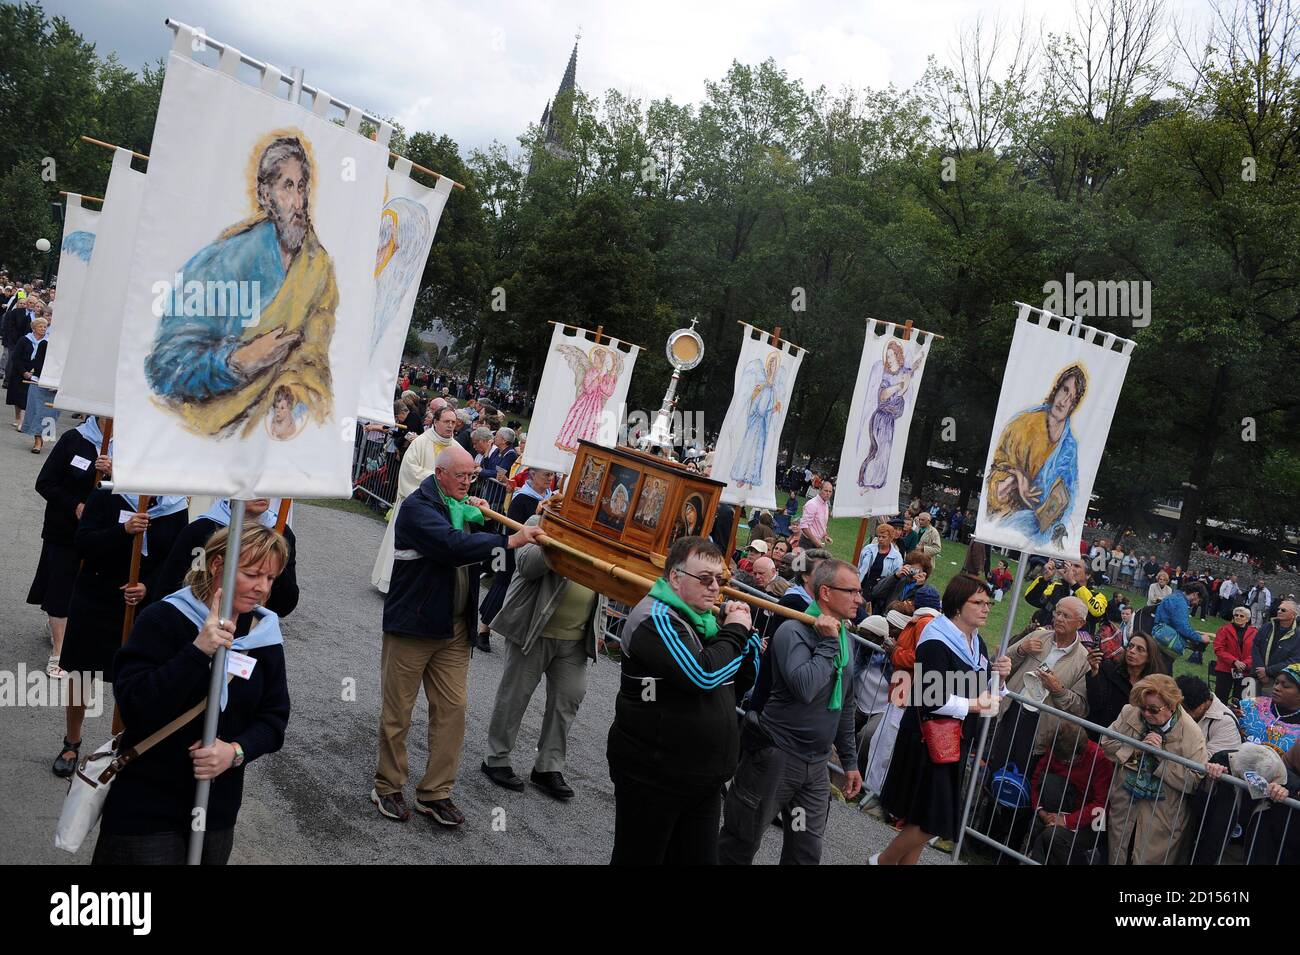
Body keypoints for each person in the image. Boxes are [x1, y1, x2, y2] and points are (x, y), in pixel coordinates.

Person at [92, 524, 291, 865]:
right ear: (217, 566)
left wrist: (235, 751)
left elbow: (274, 719)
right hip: (147, 805)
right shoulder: (164, 619)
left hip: (216, 810)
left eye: (270, 578)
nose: (262, 588)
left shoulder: (264, 635)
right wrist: (199, 651)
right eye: (252, 574)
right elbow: (136, 705)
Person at [371, 445, 544, 826]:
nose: (468, 482)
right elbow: (450, 547)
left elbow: (483, 560)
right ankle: (388, 786)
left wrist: (481, 521)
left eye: (473, 476)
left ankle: (435, 793)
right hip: (413, 626)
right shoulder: (419, 508)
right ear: (441, 473)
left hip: (453, 630)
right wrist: (508, 540)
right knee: (398, 712)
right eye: (462, 476)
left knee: (452, 712)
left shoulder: (459, 506)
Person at [607, 537, 760, 864]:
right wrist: (734, 633)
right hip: (654, 775)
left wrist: (746, 639)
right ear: (676, 578)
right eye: (705, 579)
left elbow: (740, 682)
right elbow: (700, 675)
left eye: (720, 580)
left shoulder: (703, 621)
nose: (715, 588)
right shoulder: (656, 617)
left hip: (702, 779)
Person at [718, 559, 863, 864]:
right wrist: (827, 644)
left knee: (804, 852)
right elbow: (804, 687)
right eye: (851, 591)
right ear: (826, 592)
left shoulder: (846, 640)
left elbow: (845, 704)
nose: (859, 599)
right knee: (741, 842)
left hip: (814, 770)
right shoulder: (794, 632)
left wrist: (850, 761)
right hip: (775, 760)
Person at [874, 575, 1012, 864]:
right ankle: (882, 861)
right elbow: (930, 698)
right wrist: (976, 705)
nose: (986, 608)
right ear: (958, 605)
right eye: (978, 602)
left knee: (924, 815)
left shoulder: (978, 645)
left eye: (988, 603)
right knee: (935, 819)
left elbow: (984, 693)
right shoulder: (935, 640)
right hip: (927, 738)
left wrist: (1000, 679)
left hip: (954, 741)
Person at [52, 490, 189, 778]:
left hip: (141, 607)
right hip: (95, 598)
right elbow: (83, 543)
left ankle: (125, 746)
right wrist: (124, 530)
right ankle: (71, 742)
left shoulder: (175, 507)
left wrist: (148, 587)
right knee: (81, 673)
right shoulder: (107, 495)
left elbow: (175, 561)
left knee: (134, 679)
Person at [481, 513, 596, 800]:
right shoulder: (542, 519)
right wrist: (563, 535)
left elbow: (603, 585)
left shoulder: (604, 535)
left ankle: (548, 767)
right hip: (533, 628)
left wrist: (599, 625)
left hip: (574, 639)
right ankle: (496, 759)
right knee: (515, 695)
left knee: (567, 700)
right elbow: (528, 565)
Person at [28, 415, 112, 677]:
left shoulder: (129, 447)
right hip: (64, 531)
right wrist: (75, 505)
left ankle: (67, 631)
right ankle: (60, 650)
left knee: (91, 588)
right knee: (61, 586)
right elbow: (45, 483)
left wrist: (114, 473)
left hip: (104, 533)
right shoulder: (74, 440)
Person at [1101, 674, 1207, 865]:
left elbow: (1194, 781)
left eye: (1153, 709)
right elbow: (1107, 742)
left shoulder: (1192, 733)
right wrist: (1136, 748)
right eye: (1143, 708)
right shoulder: (1130, 713)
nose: (1146, 714)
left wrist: (1161, 758)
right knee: (1118, 855)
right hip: (1125, 803)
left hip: (1161, 815)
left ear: (1172, 706)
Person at [990, 596, 1092, 780]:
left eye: (1066, 616)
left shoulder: (1083, 661)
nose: (1059, 618)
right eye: (1057, 613)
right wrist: (1021, 650)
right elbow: (1002, 662)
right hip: (1012, 711)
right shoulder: (1038, 636)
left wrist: (1058, 690)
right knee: (995, 768)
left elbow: (1080, 708)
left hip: (1040, 726)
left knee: (1020, 780)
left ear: (1080, 623)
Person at [150, 499, 299, 618]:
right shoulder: (200, 530)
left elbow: (285, 605)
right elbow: (167, 589)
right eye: (253, 487)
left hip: (249, 631)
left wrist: (273, 565)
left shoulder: (281, 533)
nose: (261, 494)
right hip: (197, 622)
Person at [370, 403, 457, 593]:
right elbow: (409, 471)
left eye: (453, 422)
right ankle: (391, 583)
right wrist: (439, 479)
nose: (450, 426)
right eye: (446, 421)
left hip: (439, 509)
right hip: (413, 504)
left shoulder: (456, 449)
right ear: (435, 422)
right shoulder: (420, 443)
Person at [475, 466, 554, 651]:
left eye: (552, 475)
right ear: (532, 475)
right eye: (546, 474)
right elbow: (513, 528)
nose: (550, 478)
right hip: (512, 549)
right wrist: (536, 515)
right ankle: (483, 630)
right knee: (501, 586)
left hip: (534, 551)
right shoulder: (521, 498)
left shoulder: (551, 499)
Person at [1025, 722, 1114, 865]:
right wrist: (1041, 811)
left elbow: (1101, 804)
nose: (1062, 763)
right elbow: (1037, 780)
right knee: (1037, 825)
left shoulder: (1100, 759)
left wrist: (1067, 821)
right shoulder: (1055, 750)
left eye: (1066, 761)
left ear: (1079, 754)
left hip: (1091, 823)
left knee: (1053, 835)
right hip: (1057, 811)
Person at [1085, 632, 1166, 738]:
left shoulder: (1152, 686)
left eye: (1140, 649)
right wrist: (1095, 672)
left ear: (1149, 658)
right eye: (1130, 646)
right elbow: (1095, 702)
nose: (1132, 651)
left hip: (1126, 740)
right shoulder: (1109, 669)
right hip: (1096, 733)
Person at [1175, 675, 1242, 758]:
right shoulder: (1192, 708)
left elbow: (1209, 761)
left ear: (1201, 706)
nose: (1180, 713)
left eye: (1184, 710)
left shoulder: (1225, 723)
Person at [6, 311, 45, 433]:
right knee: (19, 397)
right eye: (40, 326)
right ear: (34, 328)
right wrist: (24, 372)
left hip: (36, 373)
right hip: (21, 371)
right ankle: (18, 418)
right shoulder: (25, 339)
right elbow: (15, 358)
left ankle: (24, 421)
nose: (43, 329)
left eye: (45, 327)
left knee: (29, 397)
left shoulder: (46, 342)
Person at [1152, 582, 1211, 662]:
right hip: (1164, 643)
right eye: (1199, 601)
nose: (1197, 604)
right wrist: (1200, 638)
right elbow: (1182, 628)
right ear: (1195, 594)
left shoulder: (1175, 596)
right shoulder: (1180, 603)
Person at [1251, 599, 1299, 692]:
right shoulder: (1267, 626)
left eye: (1283, 610)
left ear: (1293, 615)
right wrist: (1261, 671)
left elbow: (1294, 660)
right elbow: (1255, 646)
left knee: (1269, 706)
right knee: (1249, 705)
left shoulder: (1297, 636)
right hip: (1256, 675)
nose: (1279, 611)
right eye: (1279, 609)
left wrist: (1268, 671)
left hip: (1277, 682)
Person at [871, 549, 939, 614]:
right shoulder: (898, 579)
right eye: (911, 568)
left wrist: (919, 587)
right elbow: (875, 593)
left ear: (924, 573)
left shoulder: (925, 591)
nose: (912, 572)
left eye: (916, 570)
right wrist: (895, 577)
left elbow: (921, 609)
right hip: (887, 615)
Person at [1212, 606, 1257, 703]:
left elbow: (1256, 651)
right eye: (1236, 615)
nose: (1238, 617)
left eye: (1242, 616)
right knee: (1220, 698)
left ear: (1247, 619)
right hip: (1225, 669)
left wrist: (1244, 663)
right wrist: (1234, 661)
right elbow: (1219, 649)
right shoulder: (1224, 629)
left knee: (1240, 700)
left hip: (1244, 670)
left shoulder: (1254, 632)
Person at [856, 523, 902, 609]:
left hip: (879, 591)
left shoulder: (896, 557)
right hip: (862, 585)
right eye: (879, 536)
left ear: (891, 538)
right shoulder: (868, 549)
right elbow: (860, 566)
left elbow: (895, 577)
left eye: (884, 537)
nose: (880, 539)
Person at [797, 479, 833, 550]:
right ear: (820, 490)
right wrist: (816, 542)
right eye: (826, 491)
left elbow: (821, 524)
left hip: (816, 542)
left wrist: (825, 535)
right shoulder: (812, 504)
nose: (828, 493)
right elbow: (804, 526)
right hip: (807, 543)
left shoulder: (826, 505)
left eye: (830, 491)